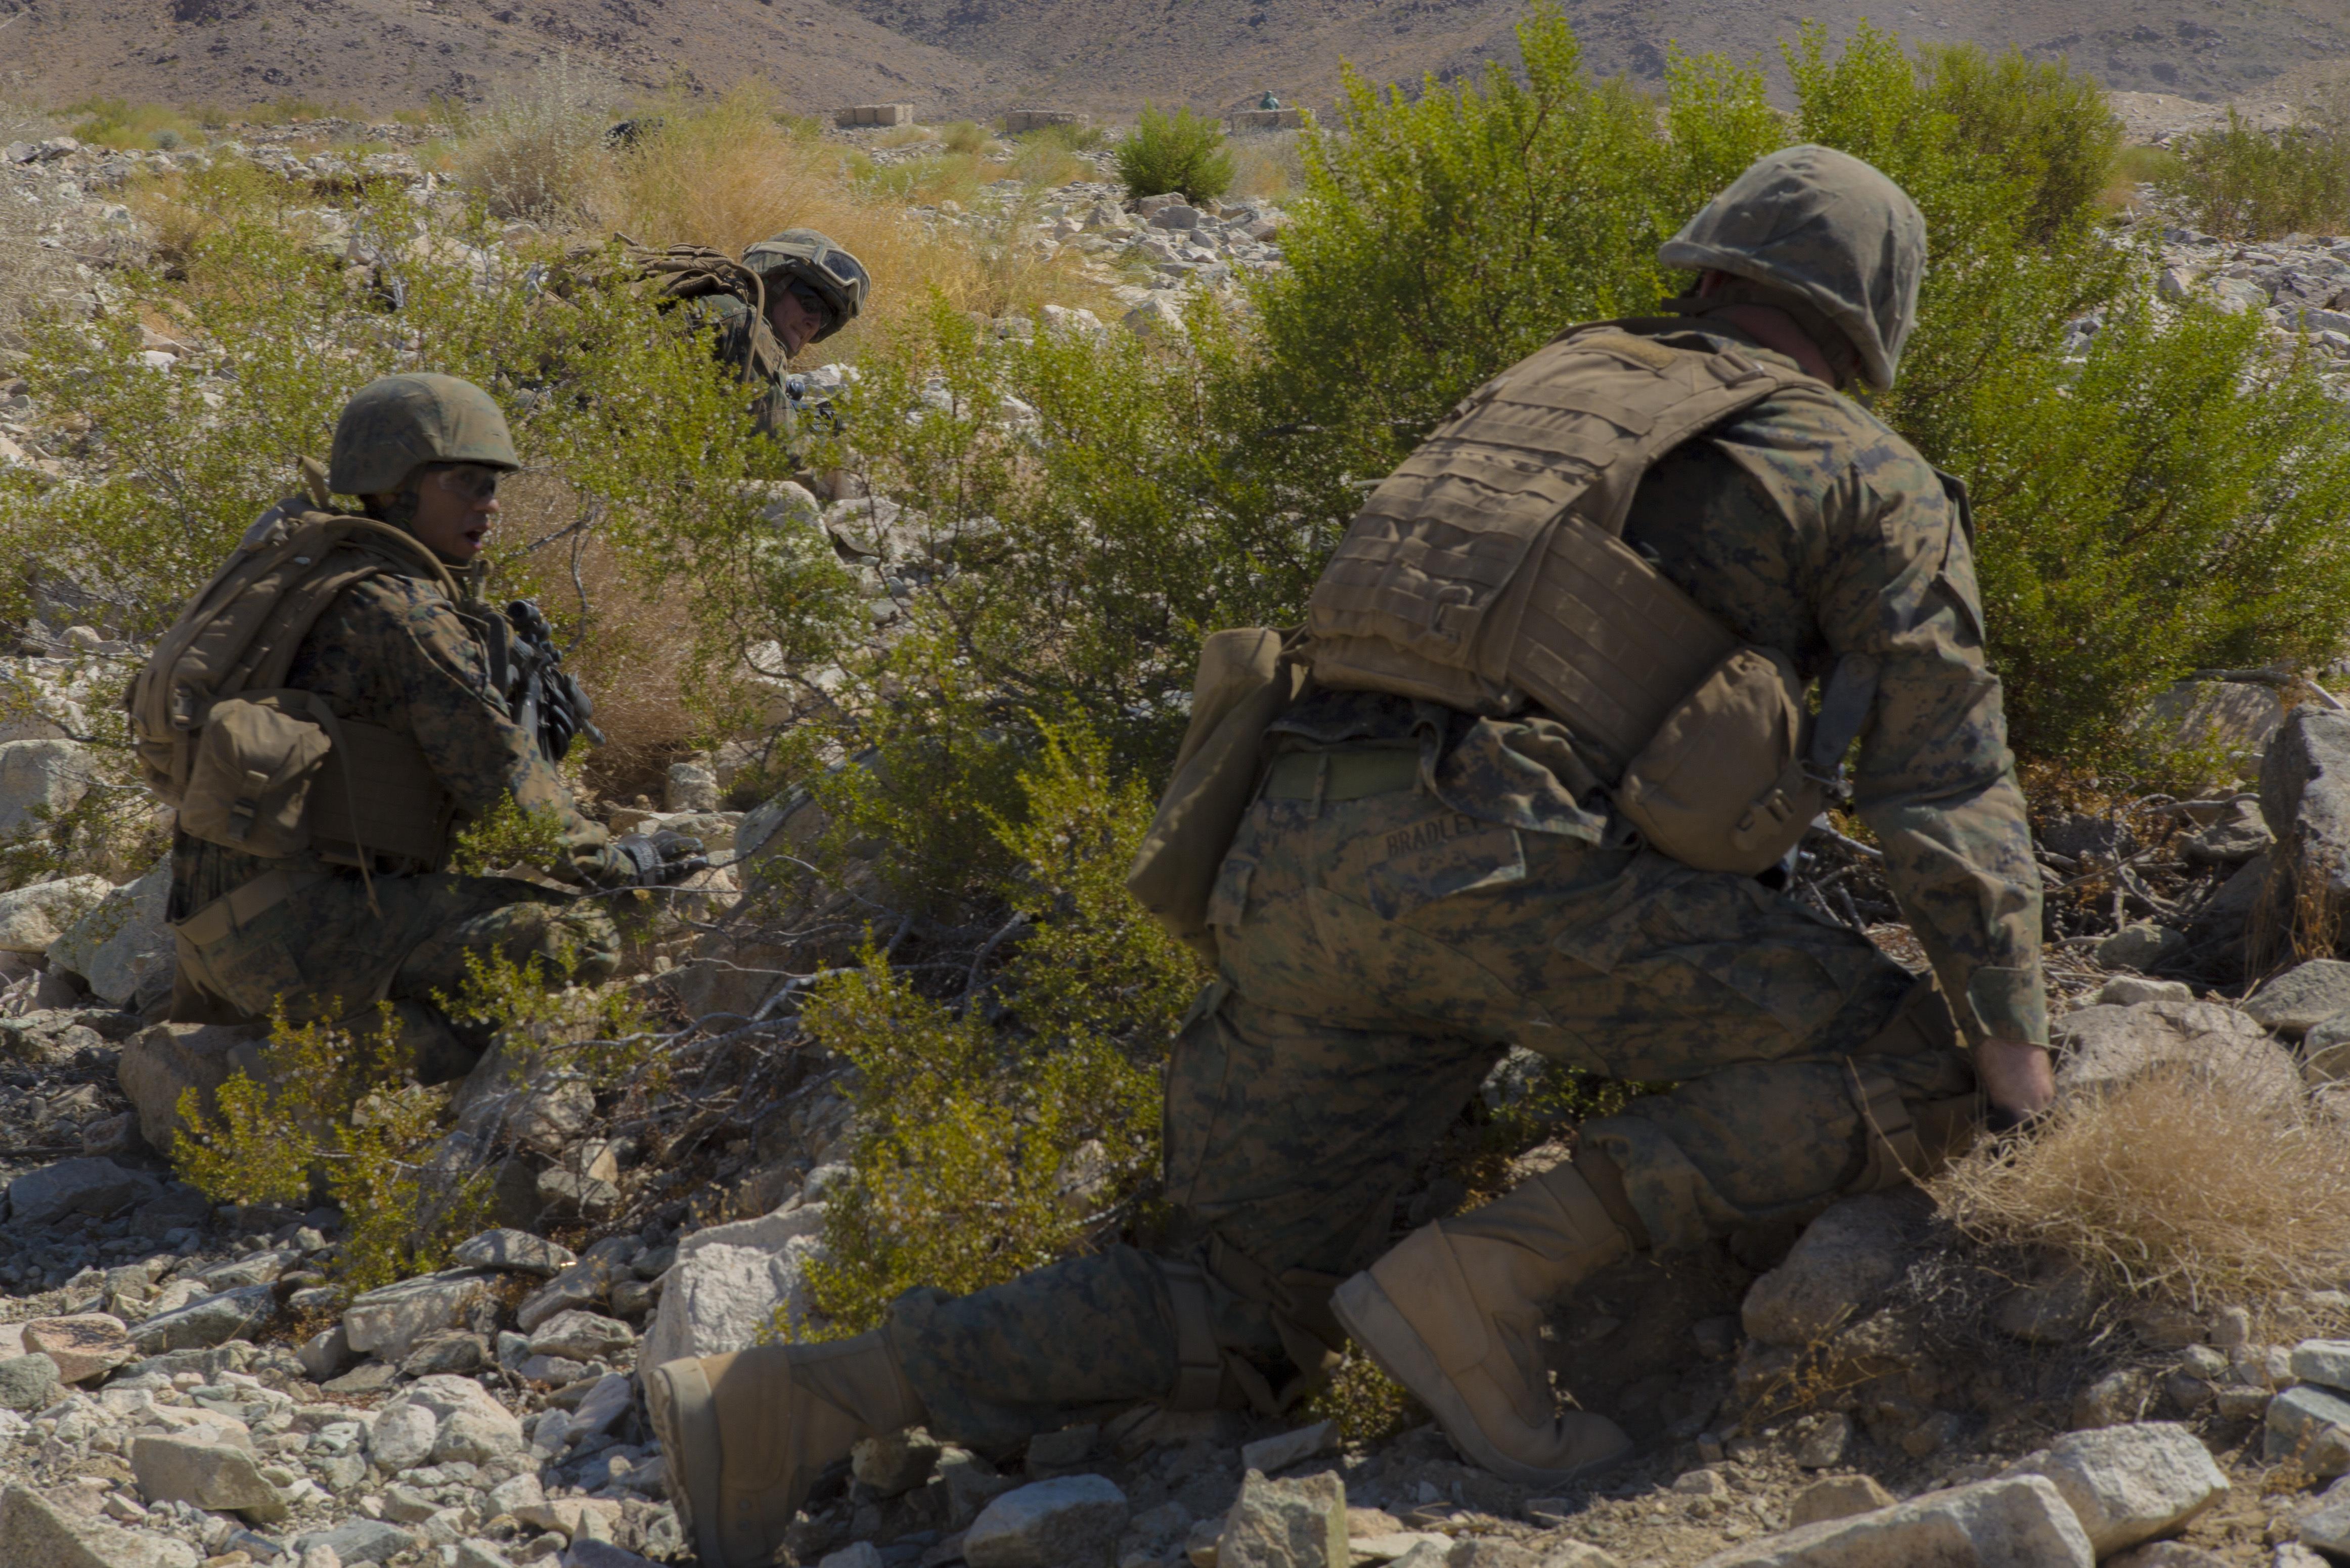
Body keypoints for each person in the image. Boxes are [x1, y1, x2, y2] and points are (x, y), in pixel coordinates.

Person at [644, 144, 2054, 1568]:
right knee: (1907, 1060)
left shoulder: (1538, 383)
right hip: (1509, 879)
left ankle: (786, 1400)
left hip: (1281, 862)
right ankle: (1485, 1282)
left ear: (1701, 271)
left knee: (1244, 1307)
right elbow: (1942, 777)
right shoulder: (1857, 465)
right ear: (1869, 318)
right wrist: (2009, 1053)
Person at [155, 374, 703, 1084]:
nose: (490, 504)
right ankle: (321, 1069)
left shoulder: (313, 571)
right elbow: (506, 787)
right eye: (467, 483)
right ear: (397, 486)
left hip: (214, 937)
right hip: (295, 944)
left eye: (492, 485)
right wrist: (622, 867)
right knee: (586, 936)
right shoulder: (404, 612)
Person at [676, 229, 870, 438]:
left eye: (825, 318)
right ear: (774, 281)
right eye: (810, 304)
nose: (813, 323)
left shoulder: (724, 311)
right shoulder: (745, 325)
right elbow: (786, 455)